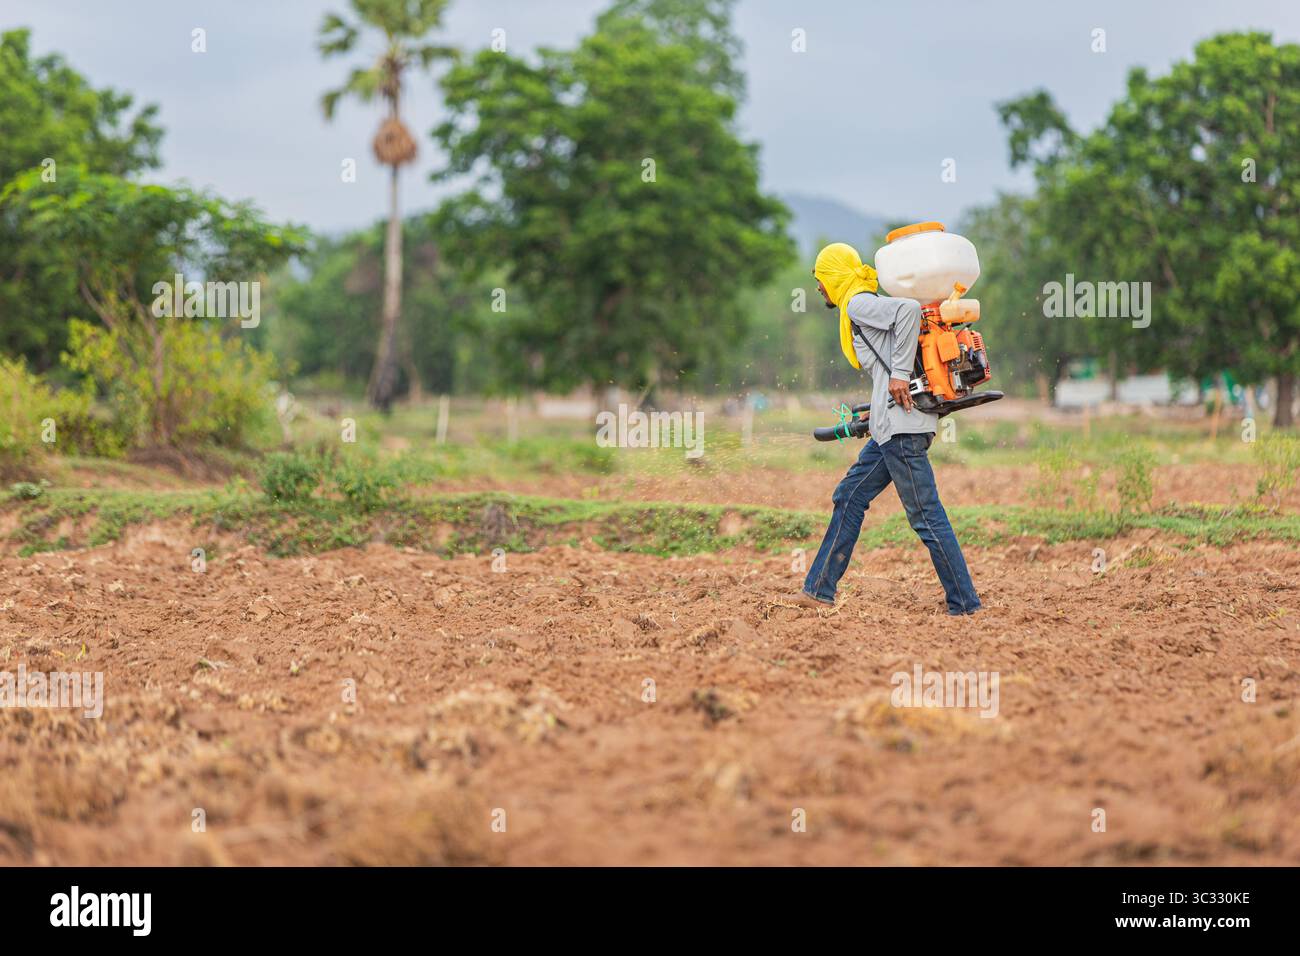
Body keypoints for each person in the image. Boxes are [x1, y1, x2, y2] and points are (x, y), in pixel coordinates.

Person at [791, 242, 981, 615]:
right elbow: (889, 366)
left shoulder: (859, 303)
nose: (818, 288)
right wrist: (874, 409)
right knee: (849, 496)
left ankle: (965, 602)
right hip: (890, 426)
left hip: (902, 430)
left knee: (926, 515)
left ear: (834, 275)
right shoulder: (858, 307)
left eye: (820, 278)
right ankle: (818, 589)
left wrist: (896, 376)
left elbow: (909, 312)